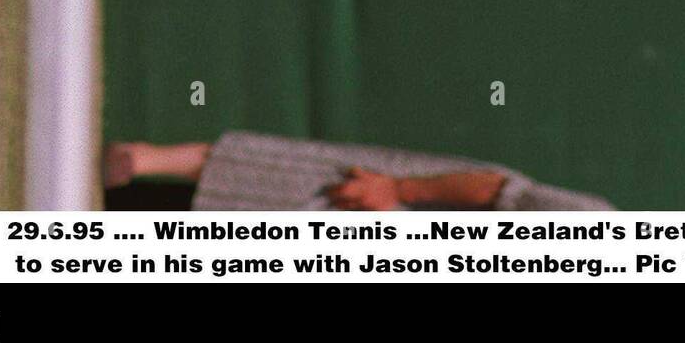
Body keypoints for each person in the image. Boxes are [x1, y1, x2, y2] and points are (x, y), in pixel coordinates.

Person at [103, 133, 613, 211]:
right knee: (312, 182)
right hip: (424, 203)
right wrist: (395, 190)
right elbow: (499, 192)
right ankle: (142, 160)